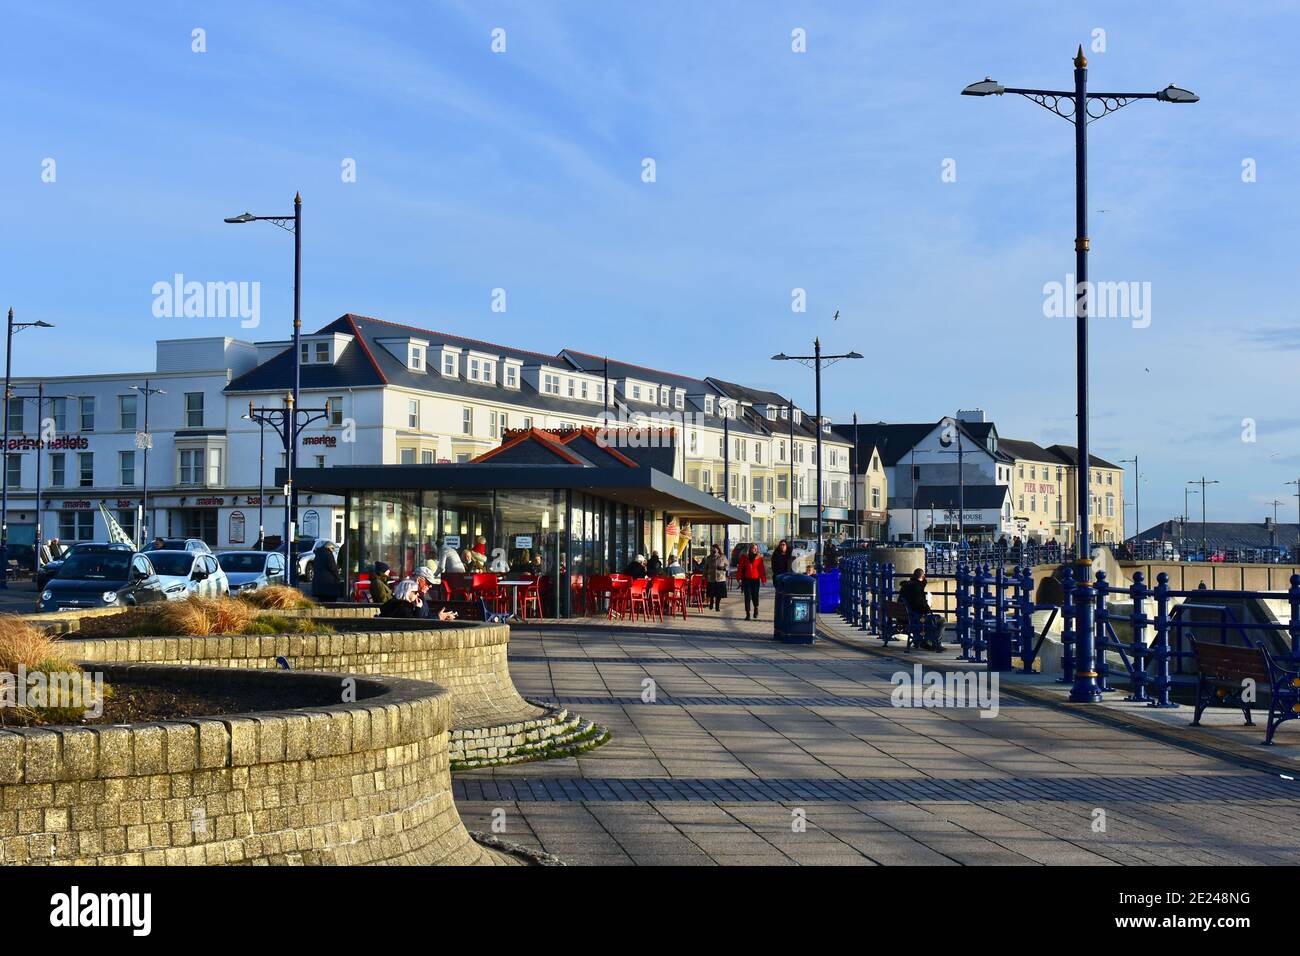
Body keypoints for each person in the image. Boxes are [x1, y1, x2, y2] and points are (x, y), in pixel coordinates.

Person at [736, 543, 767, 619]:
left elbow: (762, 569)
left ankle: (756, 608)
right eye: (754, 548)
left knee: (755, 596)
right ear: (750, 549)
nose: (755, 549)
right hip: (747, 580)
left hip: (755, 580)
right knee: (747, 597)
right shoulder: (744, 557)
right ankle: (748, 614)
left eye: (756, 548)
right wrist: (738, 578)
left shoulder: (759, 558)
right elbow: (740, 568)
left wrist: (763, 579)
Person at [704, 544, 728, 611]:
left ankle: (717, 606)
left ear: (718, 549)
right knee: (711, 593)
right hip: (711, 578)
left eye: (715, 549)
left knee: (719, 594)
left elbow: (727, 565)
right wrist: (704, 575)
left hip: (720, 578)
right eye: (712, 549)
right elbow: (706, 568)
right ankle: (711, 602)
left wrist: (723, 568)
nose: (714, 550)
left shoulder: (722, 557)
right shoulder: (708, 558)